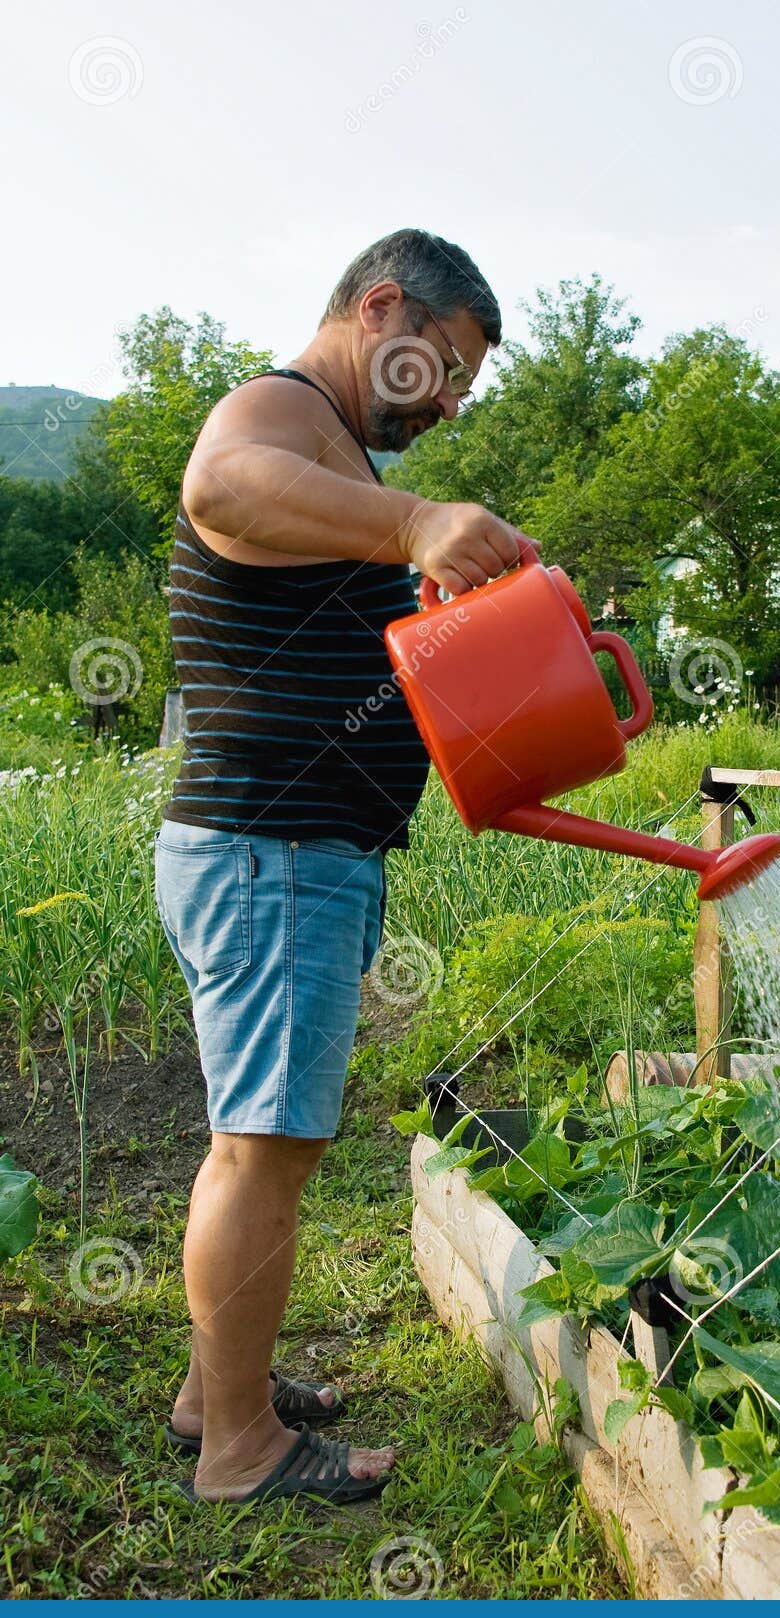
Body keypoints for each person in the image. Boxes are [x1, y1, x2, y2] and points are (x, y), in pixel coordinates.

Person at [155, 229, 529, 1503]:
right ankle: (243, 1452)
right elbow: (220, 486)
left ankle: (221, 1394)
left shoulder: (339, 458)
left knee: (254, 1141)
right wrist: (421, 522)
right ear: (383, 311)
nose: (455, 402)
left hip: (286, 847)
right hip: (276, 846)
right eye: (450, 370)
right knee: (264, 1148)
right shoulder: (283, 409)